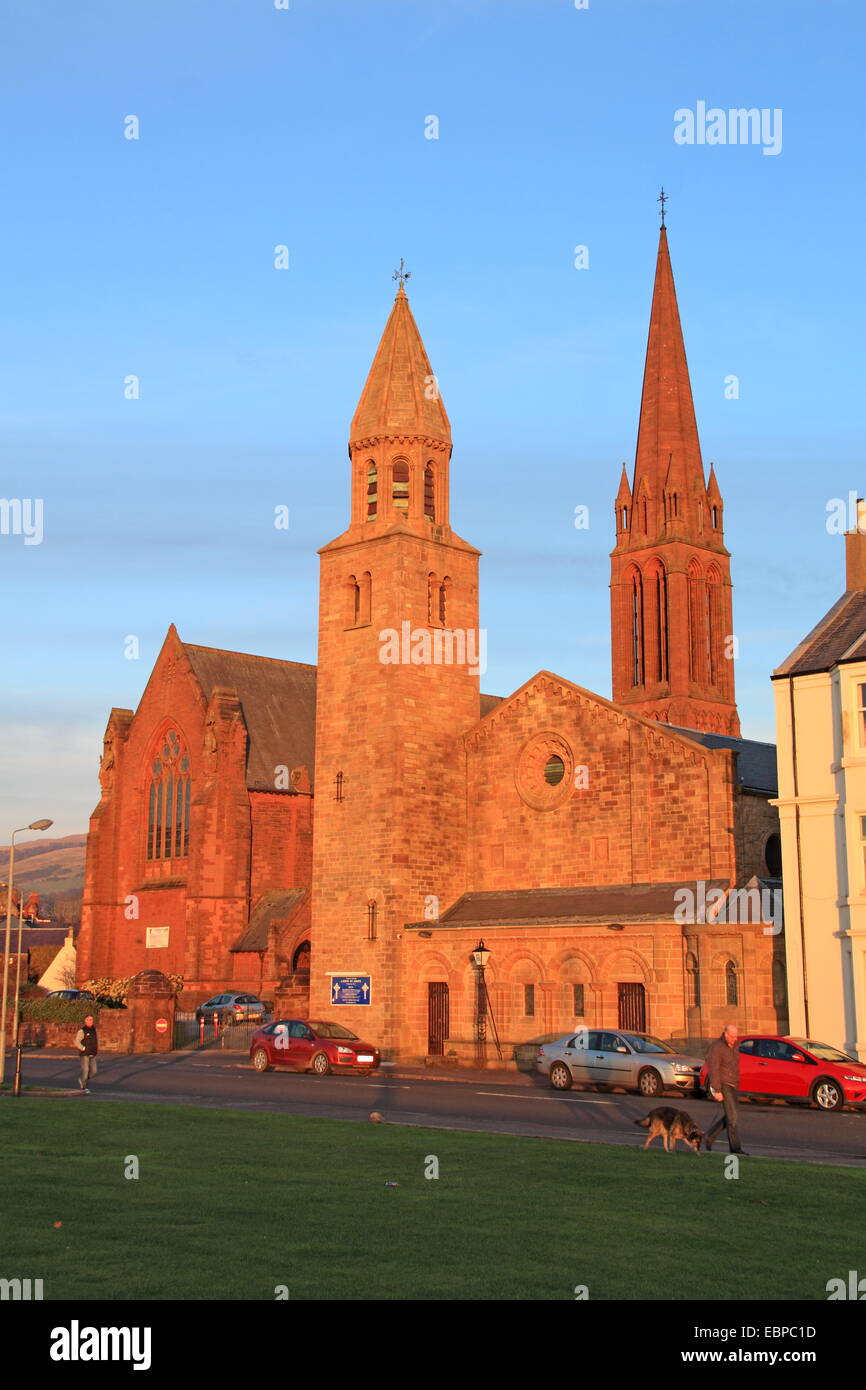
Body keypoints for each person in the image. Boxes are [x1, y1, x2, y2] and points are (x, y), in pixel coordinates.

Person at [704, 1023, 747, 1154]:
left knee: (732, 1116)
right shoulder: (716, 1048)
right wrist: (717, 1090)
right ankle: (735, 1148)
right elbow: (713, 1069)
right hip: (724, 1085)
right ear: (726, 1034)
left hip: (734, 1084)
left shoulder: (735, 1046)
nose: (735, 1039)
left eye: (736, 1037)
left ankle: (709, 1136)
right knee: (733, 1118)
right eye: (733, 1037)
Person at [75, 1014, 98, 1093]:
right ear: (85, 1021)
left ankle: (82, 1079)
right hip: (85, 1054)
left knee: (94, 1071)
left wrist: (96, 1049)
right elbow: (77, 1042)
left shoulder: (94, 1030)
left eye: (91, 1019)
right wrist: (83, 1048)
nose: (90, 1021)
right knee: (85, 1070)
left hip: (93, 1053)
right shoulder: (82, 1030)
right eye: (88, 1020)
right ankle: (84, 1088)